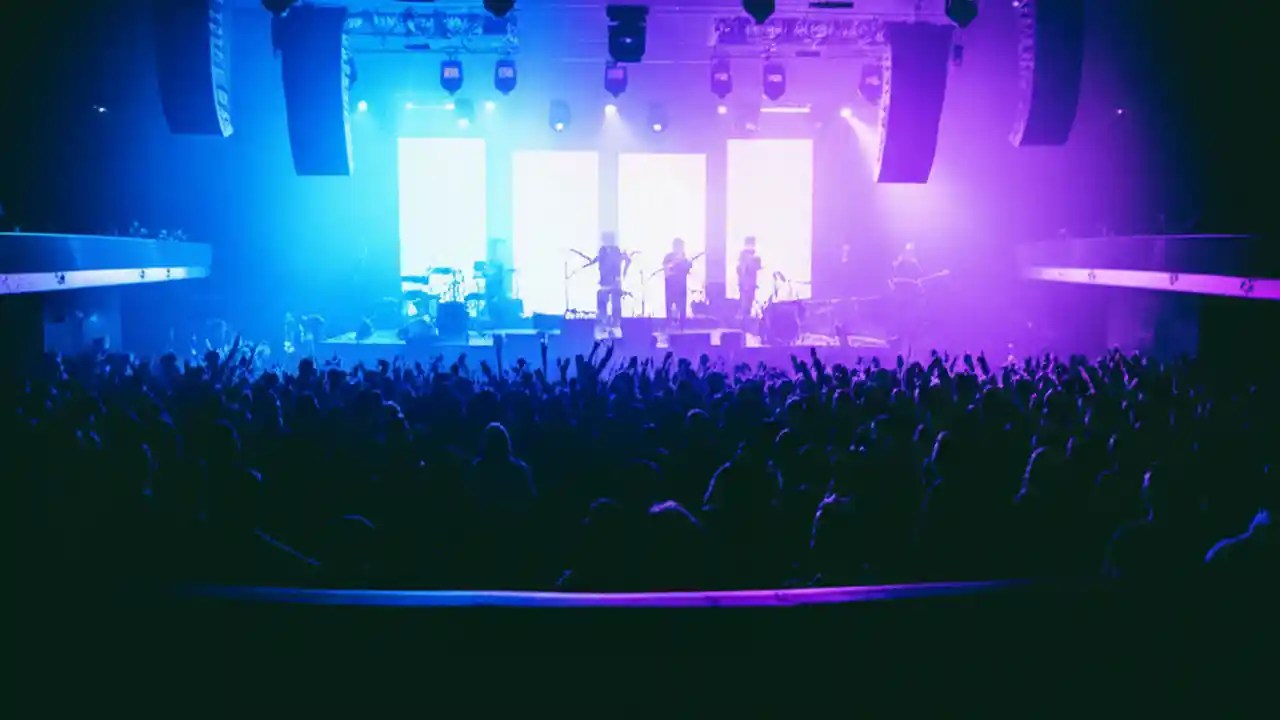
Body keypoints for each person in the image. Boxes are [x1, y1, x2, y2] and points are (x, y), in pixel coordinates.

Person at [593, 232, 628, 329]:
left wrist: (620, 276)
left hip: (614, 280)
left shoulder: (616, 250)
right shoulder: (602, 250)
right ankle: (603, 319)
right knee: (601, 297)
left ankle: (616, 321)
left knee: (615, 299)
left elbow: (617, 264)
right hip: (604, 281)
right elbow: (600, 265)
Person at [662, 238, 693, 326]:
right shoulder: (668, 257)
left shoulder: (684, 257)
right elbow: (666, 270)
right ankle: (669, 323)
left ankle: (682, 324)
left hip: (681, 284)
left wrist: (687, 265)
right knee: (669, 305)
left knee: (682, 305)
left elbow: (687, 271)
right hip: (671, 284)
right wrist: (673, 264)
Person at [736, 236, 762, 323]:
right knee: (745, 304)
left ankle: (745, 318)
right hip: (747, 285)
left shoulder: (748, 257)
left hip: (749, 285)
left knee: (748, 303)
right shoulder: (746, 257)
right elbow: (743, 271)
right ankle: (744, 320)